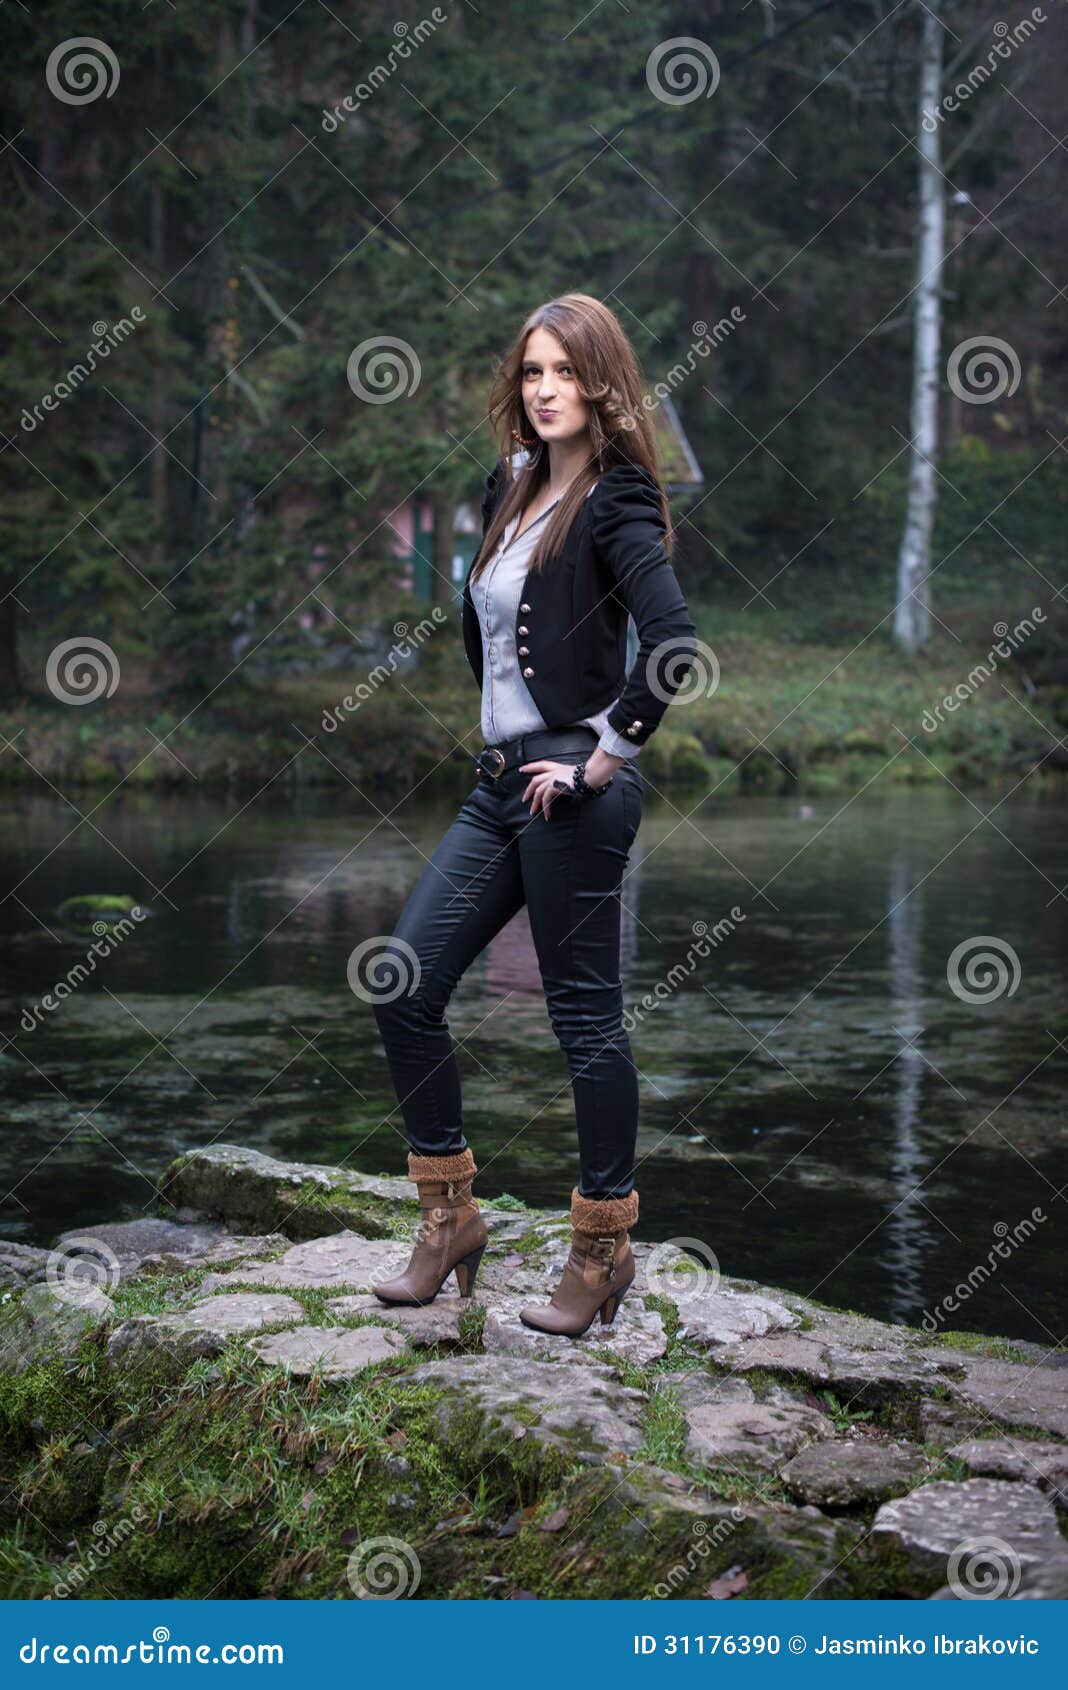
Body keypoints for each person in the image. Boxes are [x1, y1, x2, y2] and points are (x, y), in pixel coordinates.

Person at [371, 292, 698, 1336]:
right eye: (532, 373)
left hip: (574, 792)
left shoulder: (621, 496)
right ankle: (449, 1221)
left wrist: (604, 757)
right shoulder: (507, 484)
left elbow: (673, 642)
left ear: (603, 384)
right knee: (406, 981)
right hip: (496, 784)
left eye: (566, 371)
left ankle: (601, 1249)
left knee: (585, 1024)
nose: (546, 390)